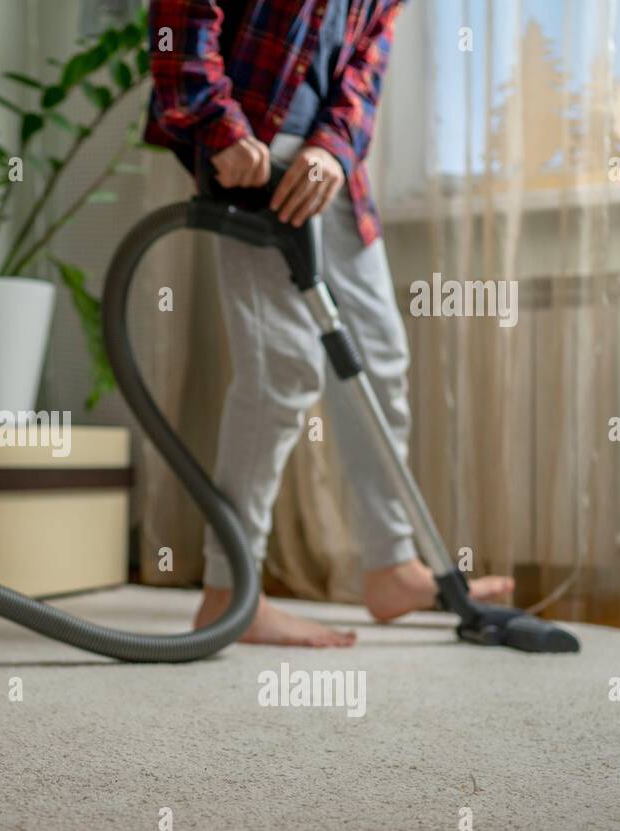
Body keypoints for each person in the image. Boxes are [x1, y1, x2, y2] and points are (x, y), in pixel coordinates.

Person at [146, 0, 514, 646]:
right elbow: (183, 13)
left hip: (331, 170)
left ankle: (392, 567)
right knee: (280, 370)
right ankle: (229, 594)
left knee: (378, 358)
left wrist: (337, 151)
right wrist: (218, 125)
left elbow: (366, 65)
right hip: (253, 154)